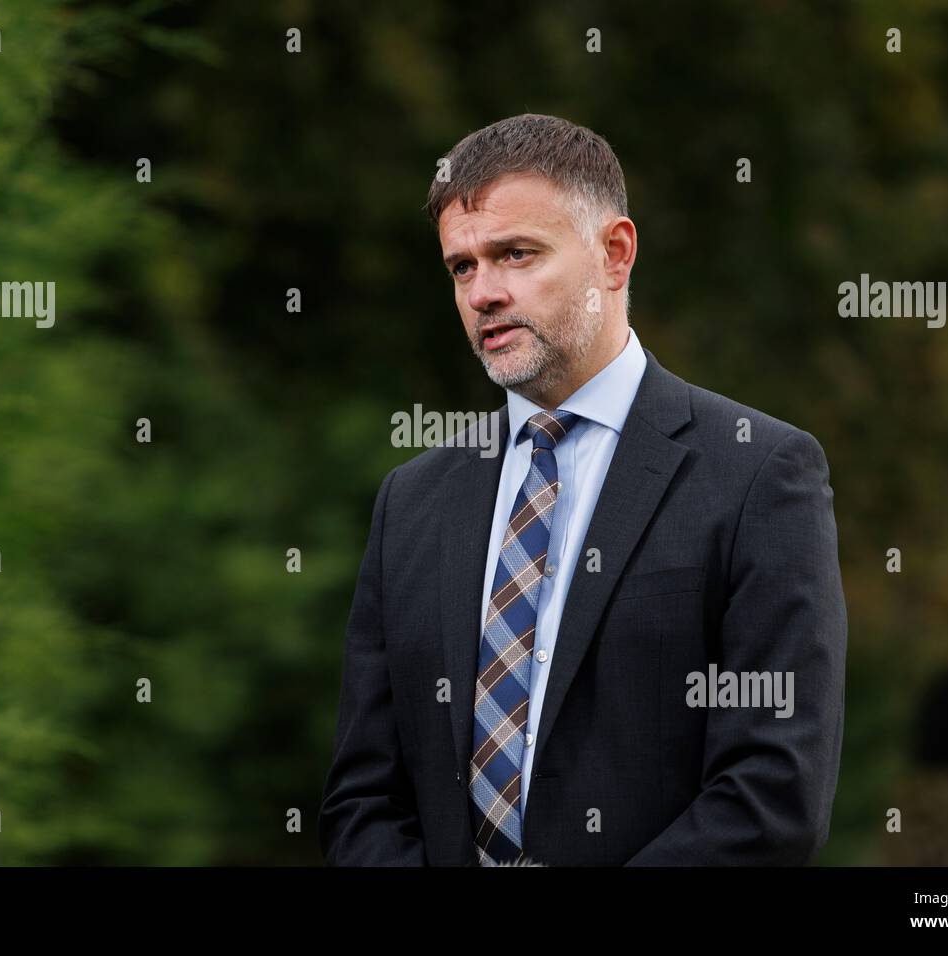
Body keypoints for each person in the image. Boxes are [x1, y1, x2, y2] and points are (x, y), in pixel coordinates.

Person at [318, 114, 847, 866]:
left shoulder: (759, 474)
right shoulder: (412, 502)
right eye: (461, 267)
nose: (484, 293)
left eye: (516, 254)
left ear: (614, 254)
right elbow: (363, 802)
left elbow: (773, 794)